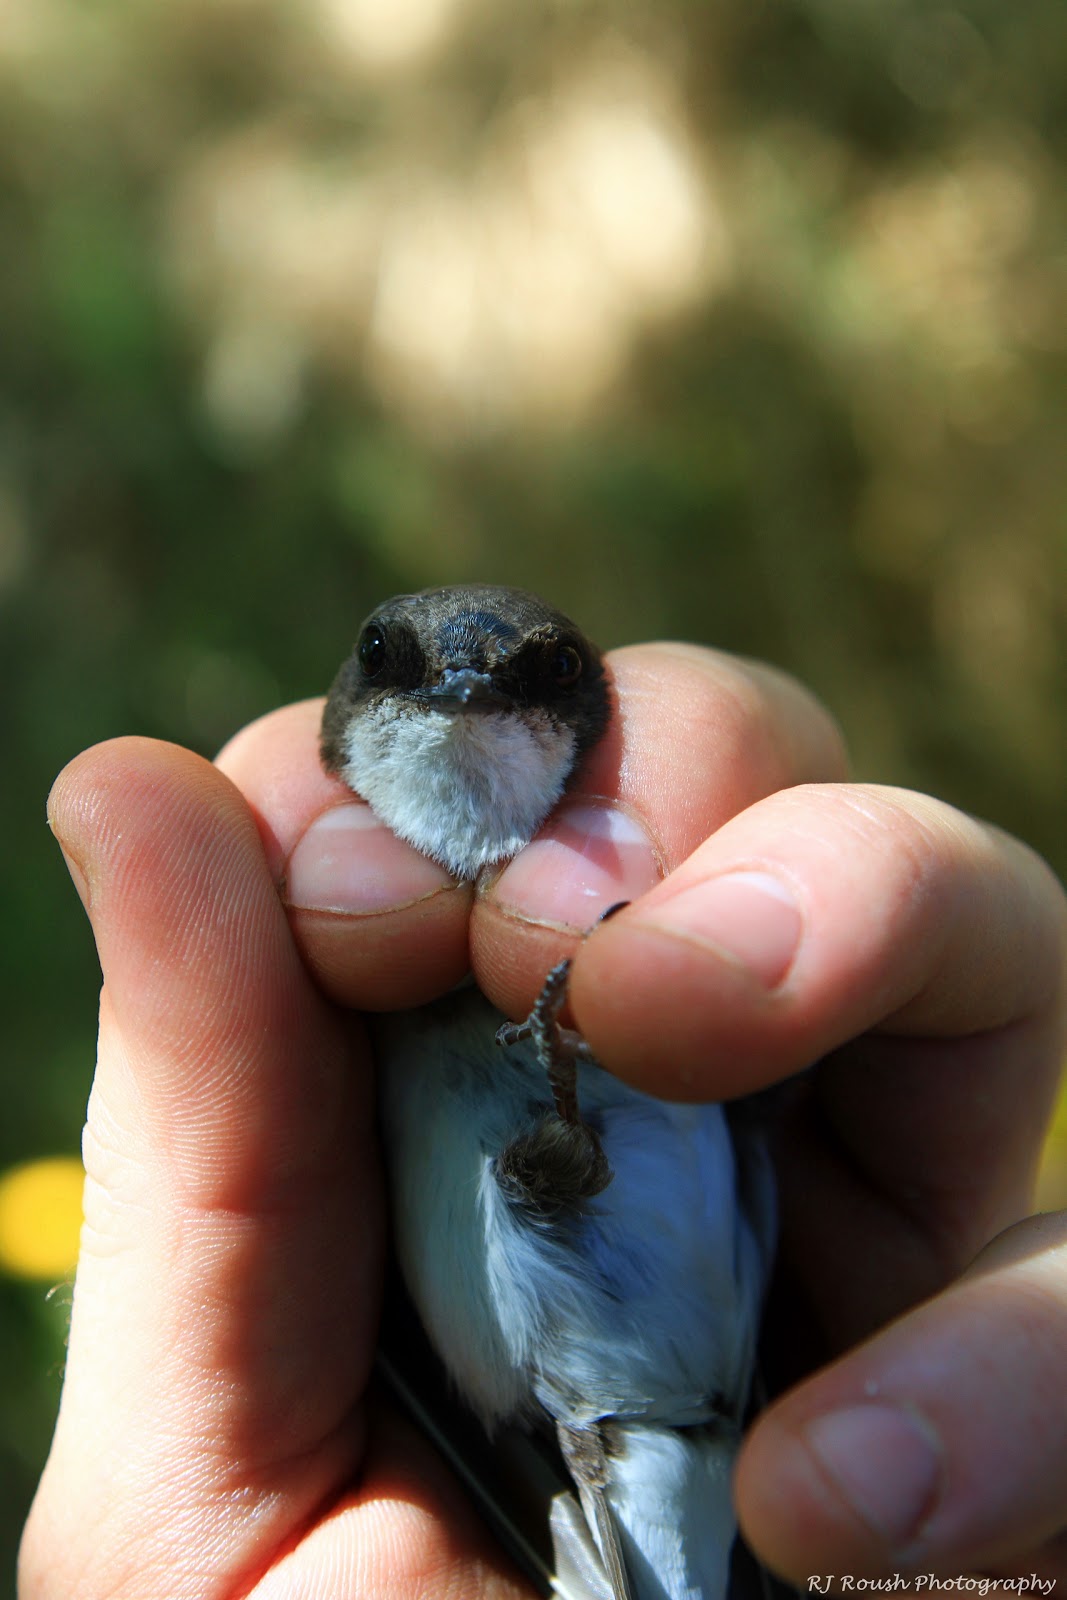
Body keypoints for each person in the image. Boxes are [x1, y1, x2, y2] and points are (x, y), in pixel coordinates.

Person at [19, 642, 1067, 1599]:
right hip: (585, 1443)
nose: (468, 688)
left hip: (666, 1430)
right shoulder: (340, 979)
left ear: (589, 727)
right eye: (399, 663)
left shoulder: (613, 890)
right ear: (345, 725)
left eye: (537, 674)